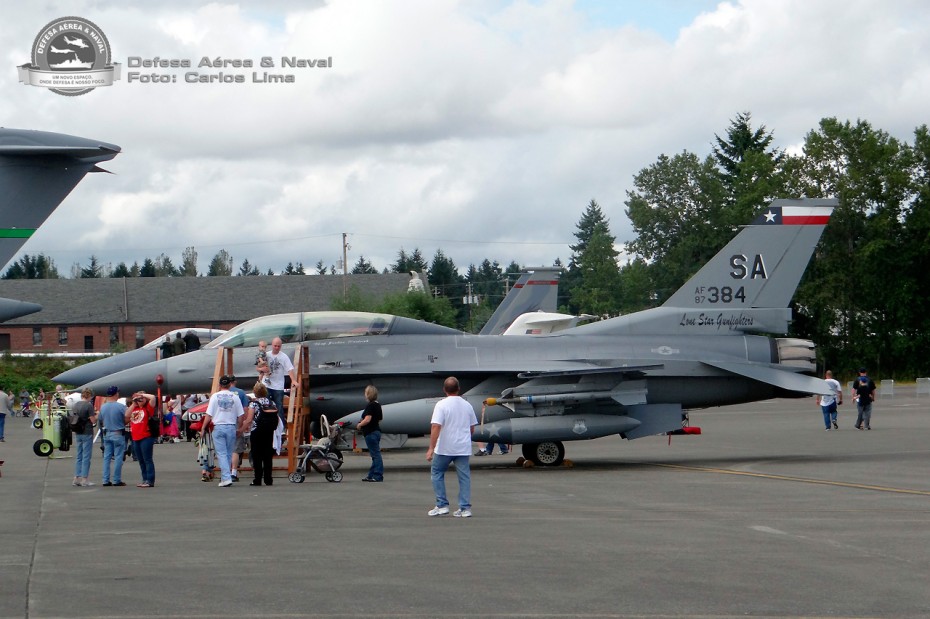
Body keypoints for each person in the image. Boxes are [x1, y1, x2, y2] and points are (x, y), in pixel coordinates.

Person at [426, 377, 478, 517]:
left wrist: (431, 448)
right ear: (458, 389)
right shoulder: (467, 405)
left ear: (444, 390)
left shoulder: (441, 405)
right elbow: (472, 428)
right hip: (462, 447)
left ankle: (442, 505)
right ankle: (465, 508)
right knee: (464, 477)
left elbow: (436, 426)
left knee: (437, 473)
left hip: (445, 447)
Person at [203, 375, 246, 487]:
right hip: (231, 426)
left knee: (221, 453)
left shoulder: (214, 396)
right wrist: (240, 428)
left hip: (218, 426)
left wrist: (203, 428)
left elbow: (208, 414)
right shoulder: (235, 397)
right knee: (228, 453)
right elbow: (241, 415)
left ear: (220, 385)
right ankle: (226, 476)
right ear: (230, 384)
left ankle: (226, 477)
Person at [247, 382, 278, 486]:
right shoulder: (272, 403)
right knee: (268, 455)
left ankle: (258, 479)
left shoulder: (254, 404)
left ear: (255, 392)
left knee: (257, 455)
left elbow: (250, 419)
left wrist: (243, 428)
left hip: (257, 431)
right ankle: (268, 479)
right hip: (269, 430)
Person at [98, 386, 128, 487]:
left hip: (107, 432)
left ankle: (105, 479)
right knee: (118, 457)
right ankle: (116, 479)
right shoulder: (121, 407)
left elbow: (100, 419)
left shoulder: (103, 407)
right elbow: (127, 418)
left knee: (107, 457)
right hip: (118, 432)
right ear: (116, 394)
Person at [126, 392, 157, 488]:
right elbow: (126, 415)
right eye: (137, 399)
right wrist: (134, 403)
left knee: (147, 459)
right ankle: (144, 479)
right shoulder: (134, 408)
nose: (139, 401)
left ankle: (150, 480)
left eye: (141, 399)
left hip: (146, 436)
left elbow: (153, 397)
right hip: (135, 437)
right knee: (141, 460)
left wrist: (142, 395)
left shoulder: (148, 408)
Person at [266, 337, 296, 427]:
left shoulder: (283, 356)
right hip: (266, 383)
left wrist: (293, 380)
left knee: (279, 406)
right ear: (272, 345)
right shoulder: (266, 355)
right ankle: (267, 425)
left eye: (278, 346)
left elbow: (290, 369)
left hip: (278, 385)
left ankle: (281, 427)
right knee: (266, 405)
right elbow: (258, 367)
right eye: (275, 346)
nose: (276, 348)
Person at [71, 388, 98, 487]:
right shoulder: (88, 405)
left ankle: (76, 478)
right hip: (87, 431)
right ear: (89, 396)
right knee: (86, 456)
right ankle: (84, 479)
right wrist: (97, 415)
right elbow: (93, 420)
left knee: (79, 455)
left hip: (78, 431)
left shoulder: (76, 405)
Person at [227, 375, 252, 482]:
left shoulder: (219, 393)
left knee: (225, 449)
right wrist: (245, 425)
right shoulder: (241, 393)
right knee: (235, 449)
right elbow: (245, 409)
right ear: (235, 382)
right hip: (237, 420)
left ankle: (225, 472)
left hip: (223, 421)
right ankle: (233, 472)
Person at [357, 385, 384, 482]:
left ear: (368, 394)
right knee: (374, 454)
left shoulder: (370, 405)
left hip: (370, 432)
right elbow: (380, 419)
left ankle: (378, 476)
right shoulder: (377, 405)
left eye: (365, 392)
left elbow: (368, 419)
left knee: (376, 455)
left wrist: (360, 424)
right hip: (376, 431)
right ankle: (371, 475)